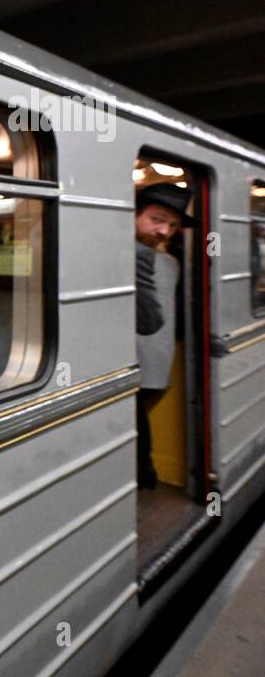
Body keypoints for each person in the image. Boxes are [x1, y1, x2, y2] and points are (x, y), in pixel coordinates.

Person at [133, 183, 188, 489]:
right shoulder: (171, 262)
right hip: (159, 364)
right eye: (157, 219)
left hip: (141, 362)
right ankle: (145, 475)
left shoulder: (143, 256)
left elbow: (148, 319)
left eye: (173, 225)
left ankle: (145, 476)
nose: (165, 231)